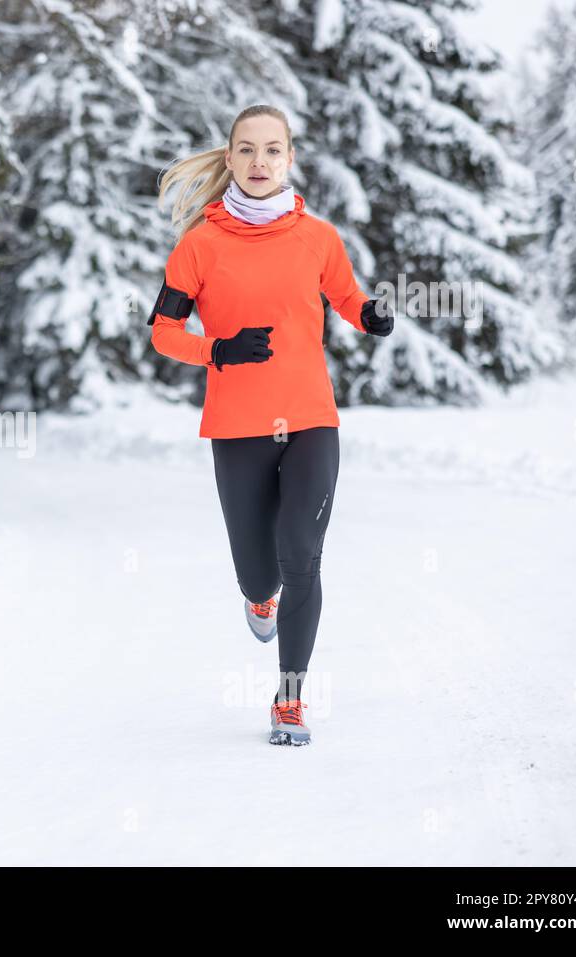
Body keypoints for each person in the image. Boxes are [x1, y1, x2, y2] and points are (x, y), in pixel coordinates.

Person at [148, 104, 394, 746]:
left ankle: (289, 699)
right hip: (237, 426)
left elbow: (344, 295)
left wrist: (369, 315)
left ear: (289, 159)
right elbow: (164, 333)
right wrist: (217, 350)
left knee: (302, 556)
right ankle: (259, 599)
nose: (261, 163)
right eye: (248, 151)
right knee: (260, 574)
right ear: (229, 159)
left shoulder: (317, 236)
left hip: (311, 418)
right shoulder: (199, 245)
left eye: (273, 151)